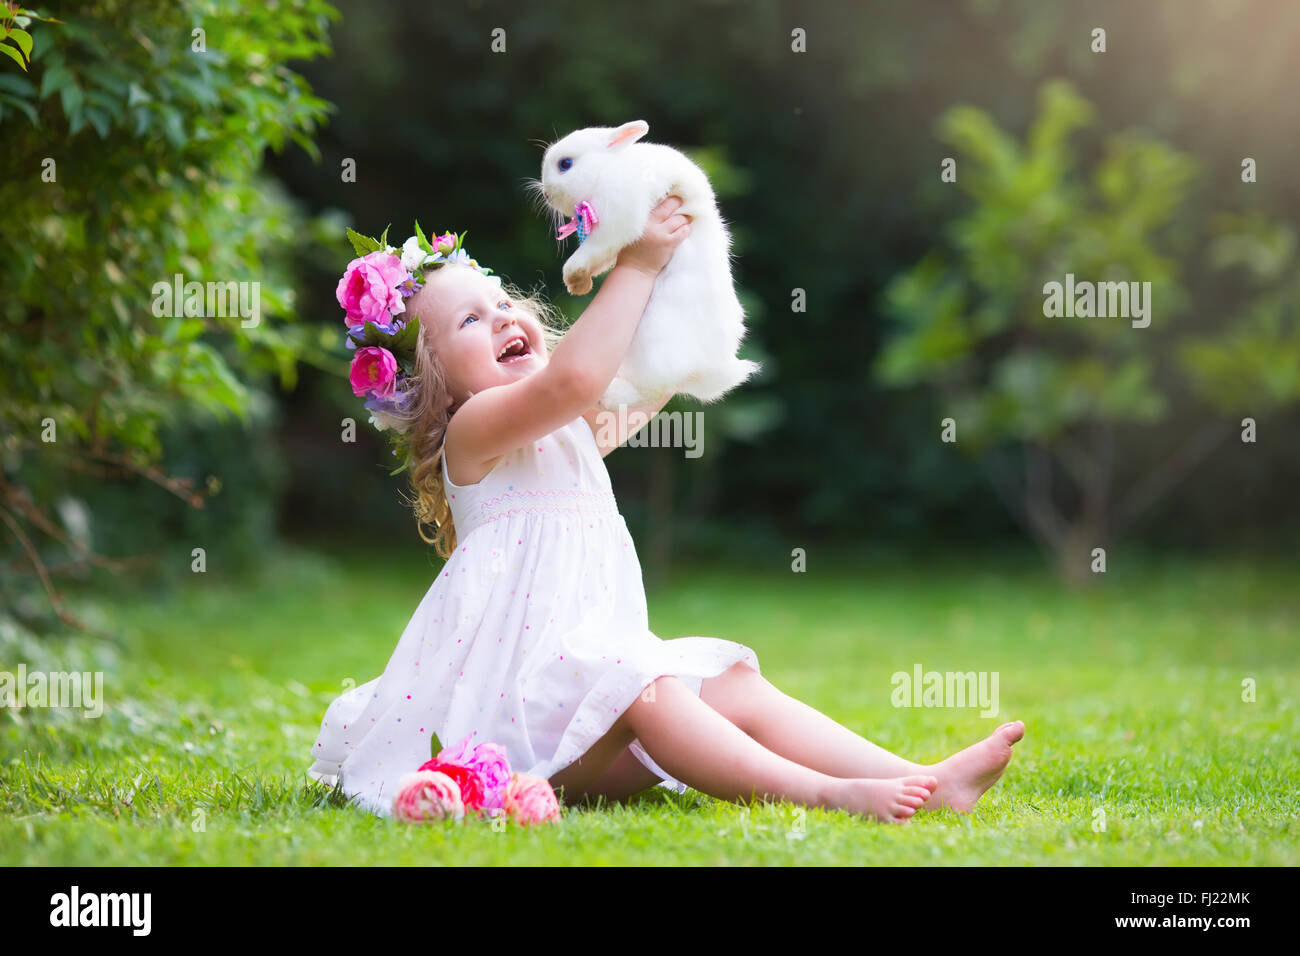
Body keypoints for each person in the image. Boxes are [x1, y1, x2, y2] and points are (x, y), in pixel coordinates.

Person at [309, 196, 1025, 822]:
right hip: (522, 736)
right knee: (642, 684)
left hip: (588, 722)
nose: (500, 318)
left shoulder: (565, 431)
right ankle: (824, 794)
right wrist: (639, 267)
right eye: (470, 319)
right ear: (433, 381)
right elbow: (576, 379)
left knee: (731, 684)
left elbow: (631, 385)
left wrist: (673, 272)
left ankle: (918, 780)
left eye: (500, 302)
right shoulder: (474, 433)